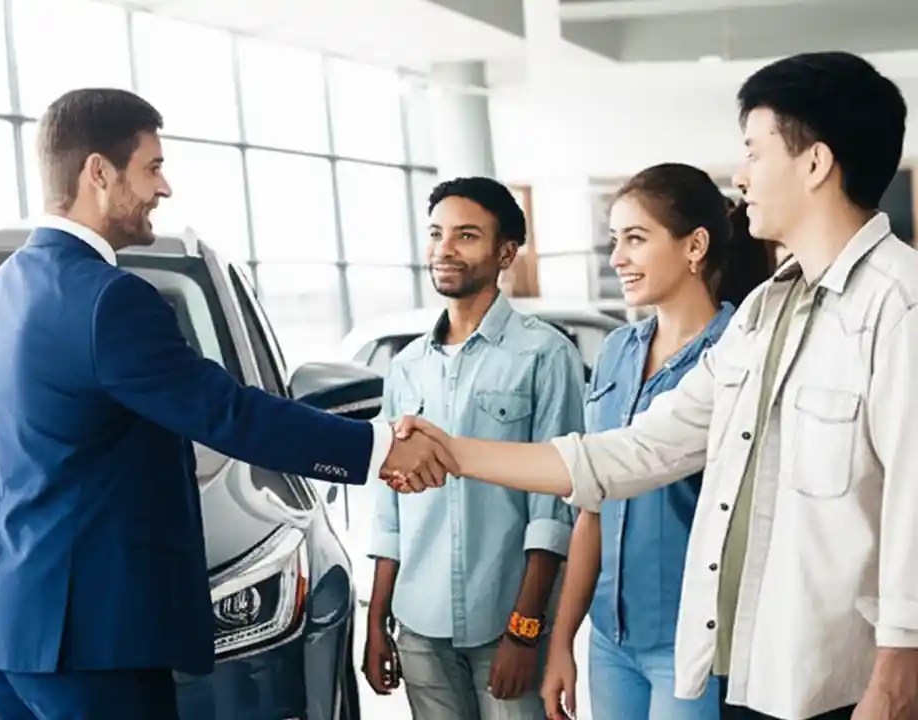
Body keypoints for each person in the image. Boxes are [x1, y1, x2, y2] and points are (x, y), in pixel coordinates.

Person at [387, 51, 918, 720]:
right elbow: (635, 452)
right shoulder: (764, 315)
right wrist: (454, 452)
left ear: (815, 163)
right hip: (759, 677)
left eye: (754, 152)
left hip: (852, 687)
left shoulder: (901, 307)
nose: (741, 175)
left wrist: (896, 687)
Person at [0, 88, 452, 720]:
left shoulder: (0, 292)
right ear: (98, 173)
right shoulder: (109, 299)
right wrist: (380, 447)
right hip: (94, 644)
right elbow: (227, 413)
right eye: (153, 167)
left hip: (14, 635)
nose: (163, 189)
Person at [538, 166, 771, 720]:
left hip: (693, 645)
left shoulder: (739, 356)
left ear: (695, 246)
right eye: (614, 239)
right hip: (610, 640)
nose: (616, 257)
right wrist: (561, 642)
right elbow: (591, 504)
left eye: (635, 239)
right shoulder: (618, 349)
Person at [362, 176, 585, 720]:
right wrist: (375, 622)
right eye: (437, 233)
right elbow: (390, 511)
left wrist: (525, 631)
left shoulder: (545, 355)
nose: (444, 249)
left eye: (466, 236)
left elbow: (554, 508)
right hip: (419, 624)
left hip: (505, 622)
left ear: (505, 252)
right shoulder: (406, 366)